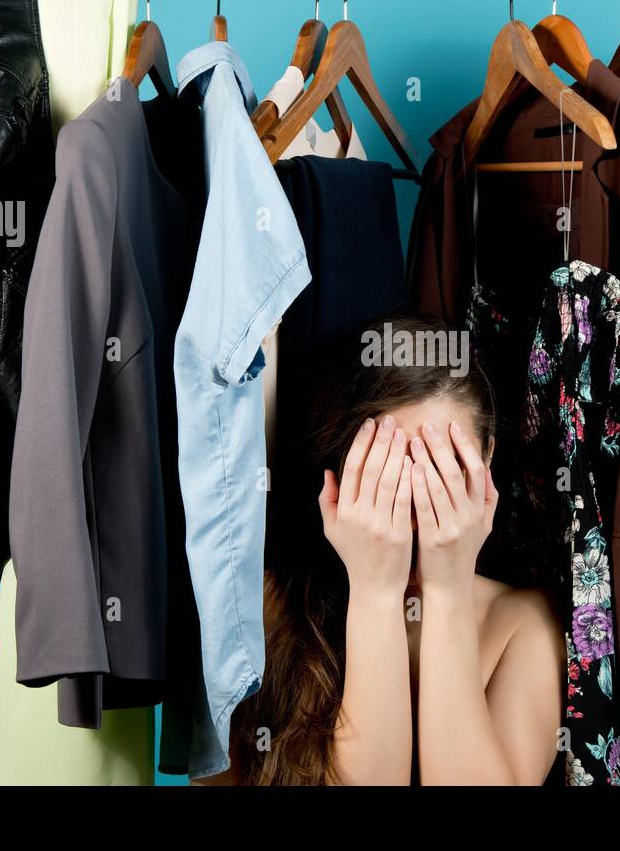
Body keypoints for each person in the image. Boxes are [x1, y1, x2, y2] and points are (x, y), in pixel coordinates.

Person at [215, 313, 565, 785]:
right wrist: (376, 592)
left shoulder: (526, 625)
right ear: (339, 475)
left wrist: (448, 588)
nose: (419, 507)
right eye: (389, 477)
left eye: (442, 473)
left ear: (487, 461)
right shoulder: (260, 611)